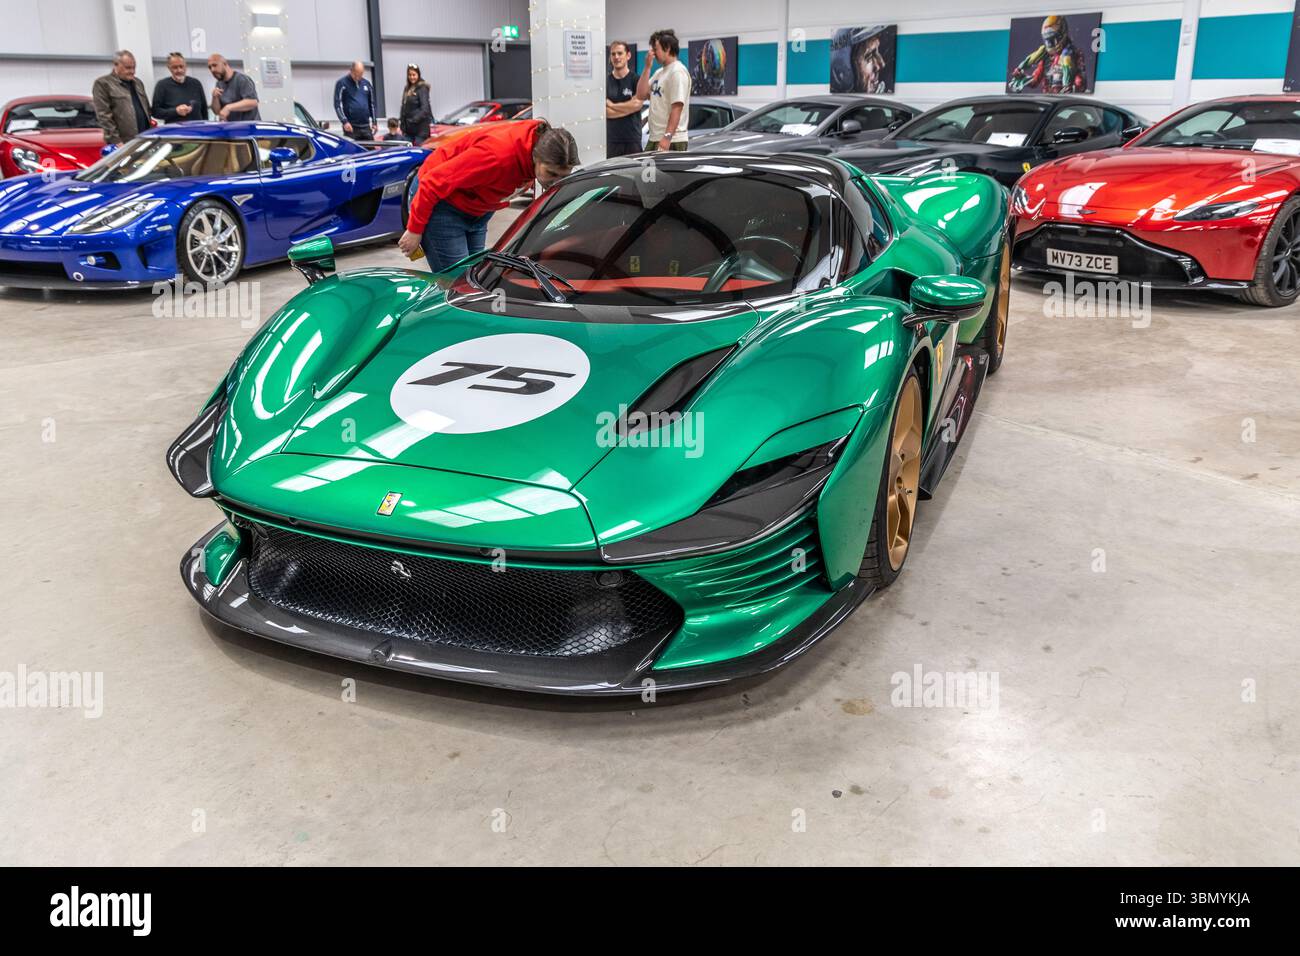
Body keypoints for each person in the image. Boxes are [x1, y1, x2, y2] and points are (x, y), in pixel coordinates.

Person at [396, 119, 578, 272]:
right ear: (536, 157)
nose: (556, 182)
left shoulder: (538, 145)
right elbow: (432, 183)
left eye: (563, 176)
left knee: (477, 277)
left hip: (478, 208)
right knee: (456, 284)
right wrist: (415, 230)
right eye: (552, 174)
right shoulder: (496, 157)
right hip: (443, 202)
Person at [636, 29, 689, 151]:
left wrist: (667, 137)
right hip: (655, 137)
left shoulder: (677, 72)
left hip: (672, 139)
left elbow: (677, 107)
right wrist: (647, 67)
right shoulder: (659, 73)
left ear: (668, 48)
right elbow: (641, 94)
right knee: (646, 169)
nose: (653, 53)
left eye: (655, 49)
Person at [91, 50, 151, 145]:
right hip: (123, 143)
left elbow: (147, 109)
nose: (132, 71)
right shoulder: (103, 84)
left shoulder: (138, 83)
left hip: (144, 139)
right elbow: (104, 116)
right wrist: (116, 141)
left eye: (134, 68)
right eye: (128, 68)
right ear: (116, 65)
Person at [605, 41, 642, 157]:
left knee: (634, 174)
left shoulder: (636, 79)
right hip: (612, 141)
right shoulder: (605, 81)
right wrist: (628, 107)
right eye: (613, 54)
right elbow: (605, 112)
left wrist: (612, 105)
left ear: (628, 56)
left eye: (620, 53)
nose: (616, 57)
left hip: (633, 140)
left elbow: (637, 105)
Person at [152, 52, 209, 124]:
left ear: (186, 66)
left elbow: (204, 110)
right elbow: (155, 112)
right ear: (169, 68)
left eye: (181, 66)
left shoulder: (196, 83)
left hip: (197, 131)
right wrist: (176, 111)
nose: (179, 70)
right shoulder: (162, 85)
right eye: (175, 67)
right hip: (174, 132)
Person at [207, 54, 260, 121]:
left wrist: (228, 107)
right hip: (232, 128)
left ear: (225, 63)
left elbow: (253, 102)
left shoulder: (241, 79)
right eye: (209, 67)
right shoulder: (219, 84)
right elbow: (217, 112)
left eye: (215, 65)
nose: (212, 70)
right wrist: (214, 98)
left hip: (248, 128)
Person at [334, 60, 376, 140]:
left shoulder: (366, 83)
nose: (358, 76)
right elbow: (337, 104)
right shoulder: (342, 83)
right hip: (351, 127)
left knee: (371, 150)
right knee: (353, 151)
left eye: (361, 74)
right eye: (356, 73)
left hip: (366, 126)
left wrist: (374, 122)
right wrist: (344, 122)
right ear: (351, 70)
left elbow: (372, 104)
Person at [398, 63, 432, 146]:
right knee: (404, 149)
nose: (412, 77)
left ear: (418, 75)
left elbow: (425, 109)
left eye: (414, 75)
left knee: (418, 151)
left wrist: (413, 120)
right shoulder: (407, 88)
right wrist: (402, 123)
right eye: (409, 75)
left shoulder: (422, 88)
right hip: (408, 130)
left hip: (420, 131)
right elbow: (404, 106)